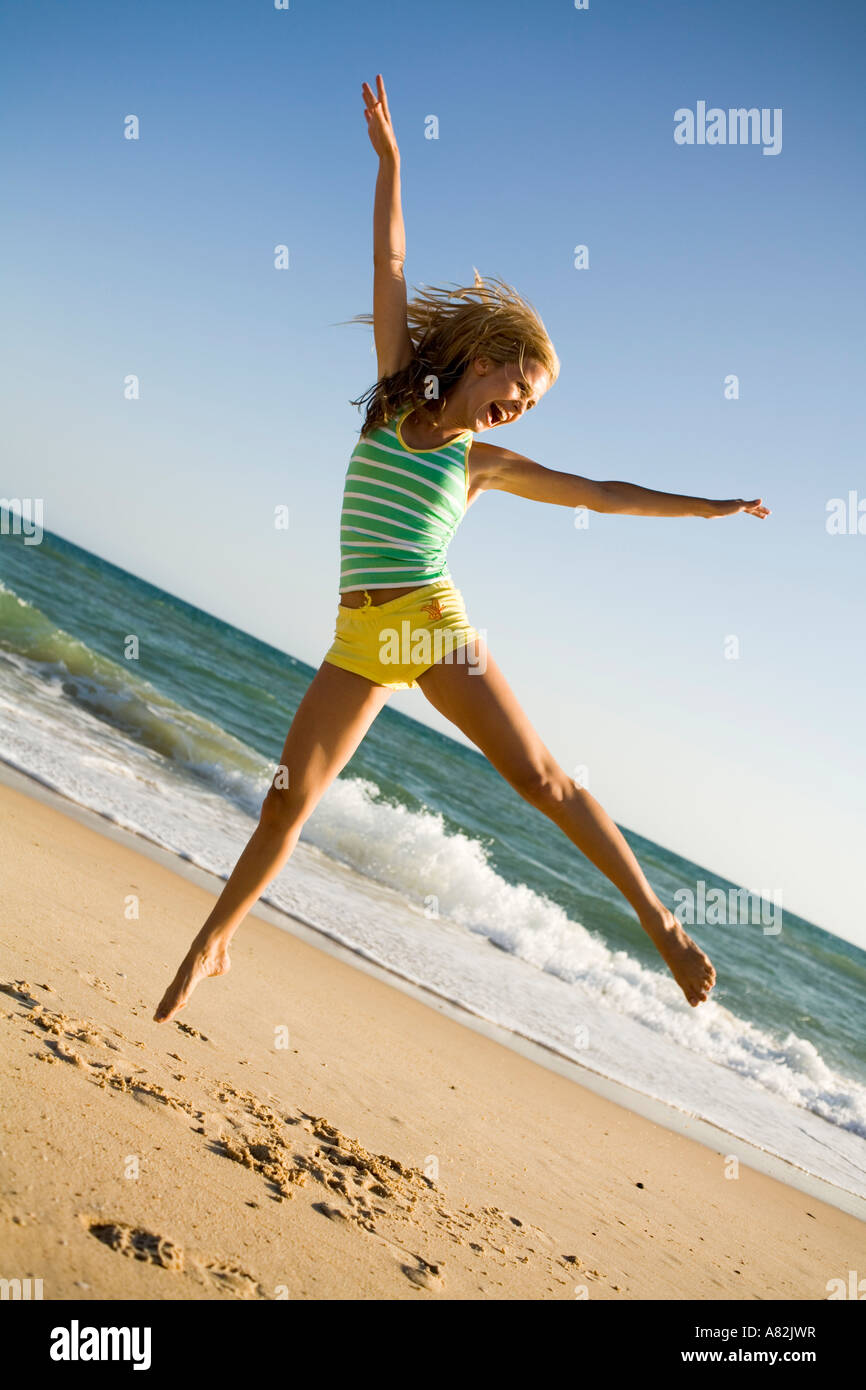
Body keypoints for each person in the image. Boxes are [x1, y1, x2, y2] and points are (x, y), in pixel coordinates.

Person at [155, 75, 769, 1026]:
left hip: (427, 622)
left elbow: (601, 494)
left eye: (528, 406)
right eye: (515, 389)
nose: (516, 409)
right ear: (481, 358)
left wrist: (708, 508)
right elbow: (389, 260)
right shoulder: (398, 393)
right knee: (286, 804)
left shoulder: (484, 464)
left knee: (540, 779)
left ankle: (660, 923)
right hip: (358, 639)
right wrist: (392, 163)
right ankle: (216, 937)